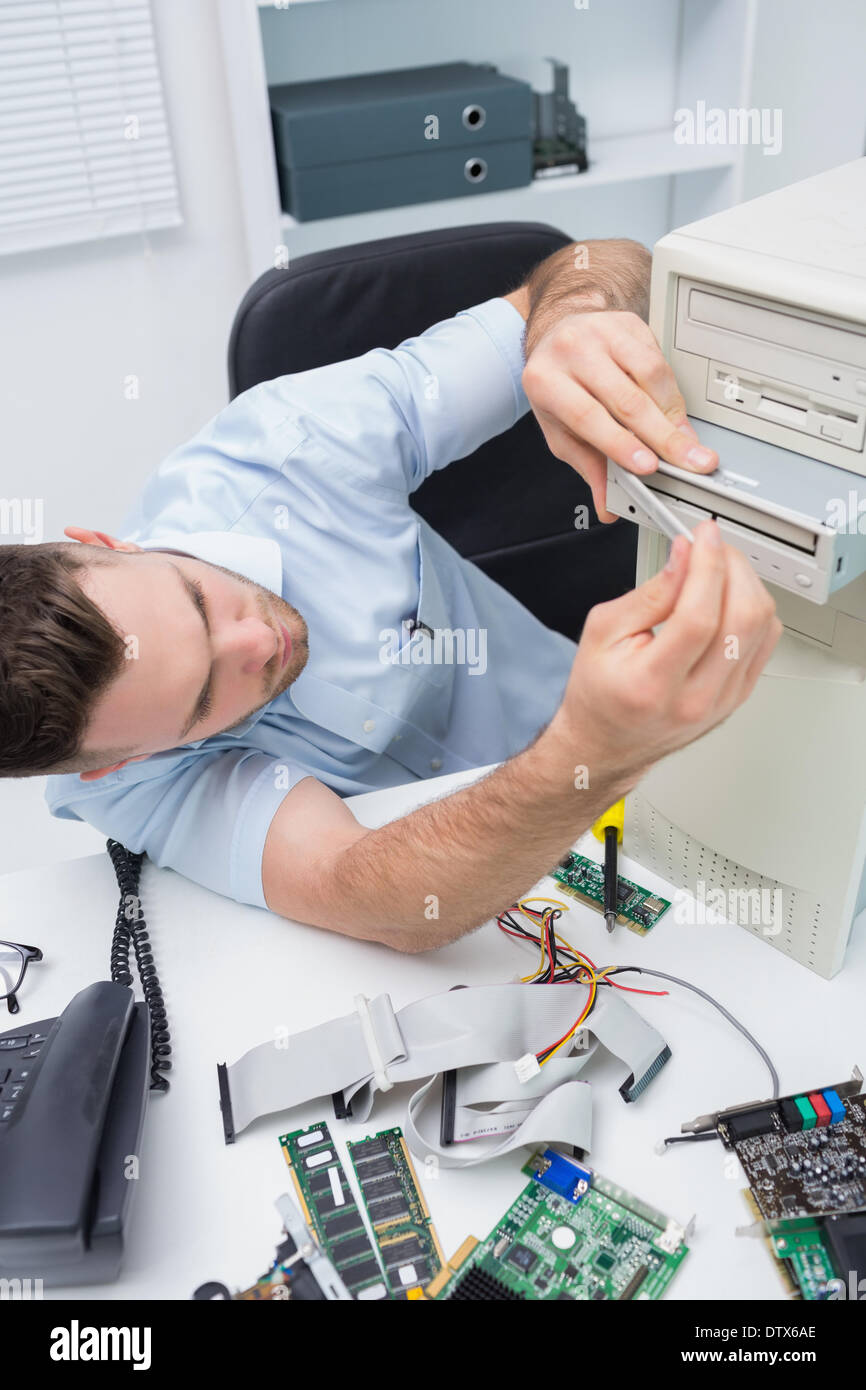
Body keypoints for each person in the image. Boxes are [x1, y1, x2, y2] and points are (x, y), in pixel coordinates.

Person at [0, 238, 780, 950]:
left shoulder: (290, 449)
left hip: (694, 736)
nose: (259, 644)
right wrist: (586, 754)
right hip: (522, 900)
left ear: (109, 546)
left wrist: (569, 319)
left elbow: (595, 261)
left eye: (202, 603)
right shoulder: (119, 777)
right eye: (205, 698)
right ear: (116, 767)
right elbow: (356, 889)